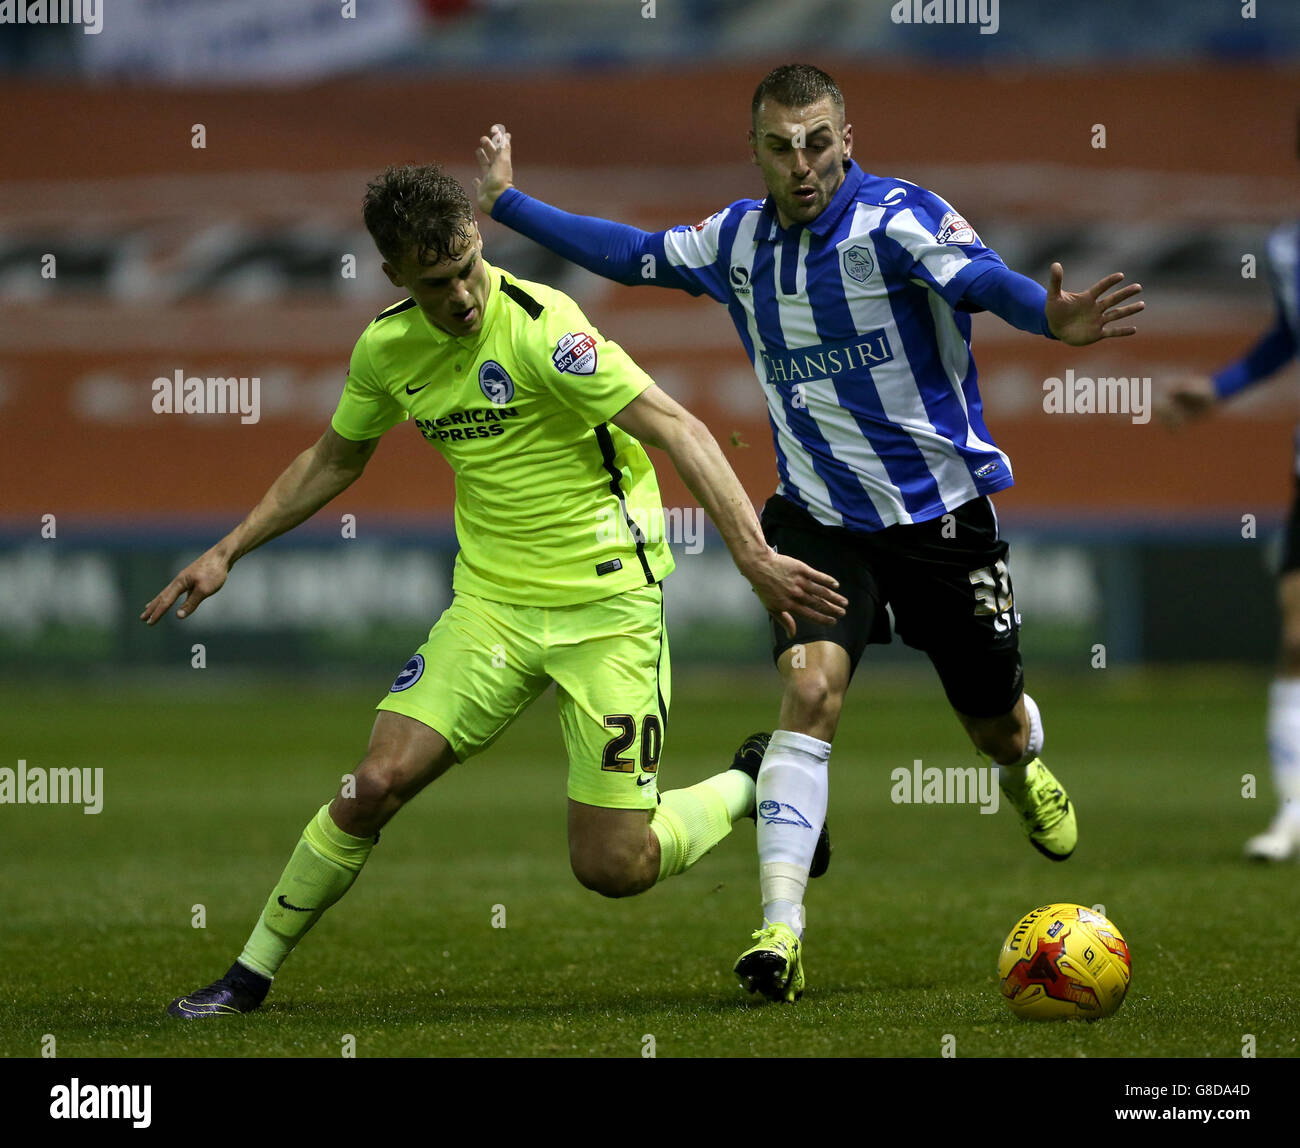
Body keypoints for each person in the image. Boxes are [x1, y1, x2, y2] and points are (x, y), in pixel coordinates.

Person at [475, 63, 1145, 1002]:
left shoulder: (902, 219)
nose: (802, 165)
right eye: (781, 147)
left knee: (993, 721)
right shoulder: (737, 241)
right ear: (754, 150)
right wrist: (510, 203)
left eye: (818, 144)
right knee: (811, 690)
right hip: (818, 518)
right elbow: (630, 253)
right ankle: (779, 932)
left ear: (848, 139)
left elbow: (988, 282)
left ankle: (1023, 764)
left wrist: (1052, 320)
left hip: (941, 521)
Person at [143, 162, 845, 1017]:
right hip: (491, 609)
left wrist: (752, 555)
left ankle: (749, 783)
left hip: (608, 611)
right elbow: (335, 458)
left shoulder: (547, 330)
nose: (465, 295)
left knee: (612, 868)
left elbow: (678, 426)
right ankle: (246, 978)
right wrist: (230, 549)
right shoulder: (388, 348)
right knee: (371, 786)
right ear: (397, 274)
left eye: (471, 268)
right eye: (438, 283)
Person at [1159, 212, 1300, 861]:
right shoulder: (1285, 249)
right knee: (1298, 634)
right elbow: (1286, 337)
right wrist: (1219, 389)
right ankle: (1292, 810)